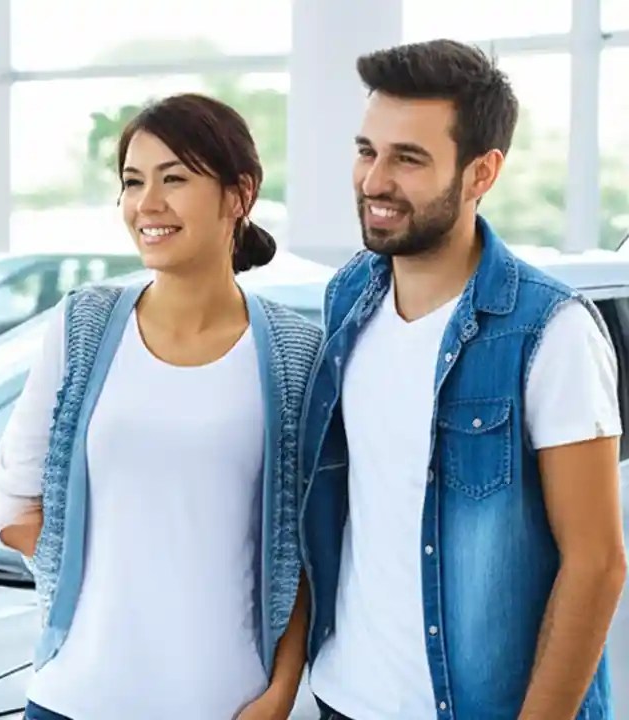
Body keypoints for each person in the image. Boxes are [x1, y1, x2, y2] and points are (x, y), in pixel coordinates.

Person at [300, 39, 626, 719]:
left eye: (408, 158)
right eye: (367, 151)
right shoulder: (349, 297)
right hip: (341, 696)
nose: (374, 181)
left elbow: (596, 564)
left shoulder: (550, 332)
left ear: (482, 173)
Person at [0, 93, 322, 720]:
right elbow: (10, 507)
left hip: (226, 703)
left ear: (239, 195)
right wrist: (117, 579)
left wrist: (280, 693)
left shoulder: (296, 352)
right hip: (73, 698)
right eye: (133, 181)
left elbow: (308, 547)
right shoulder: (83, 325)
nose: (147, 204)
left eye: (174, 179)